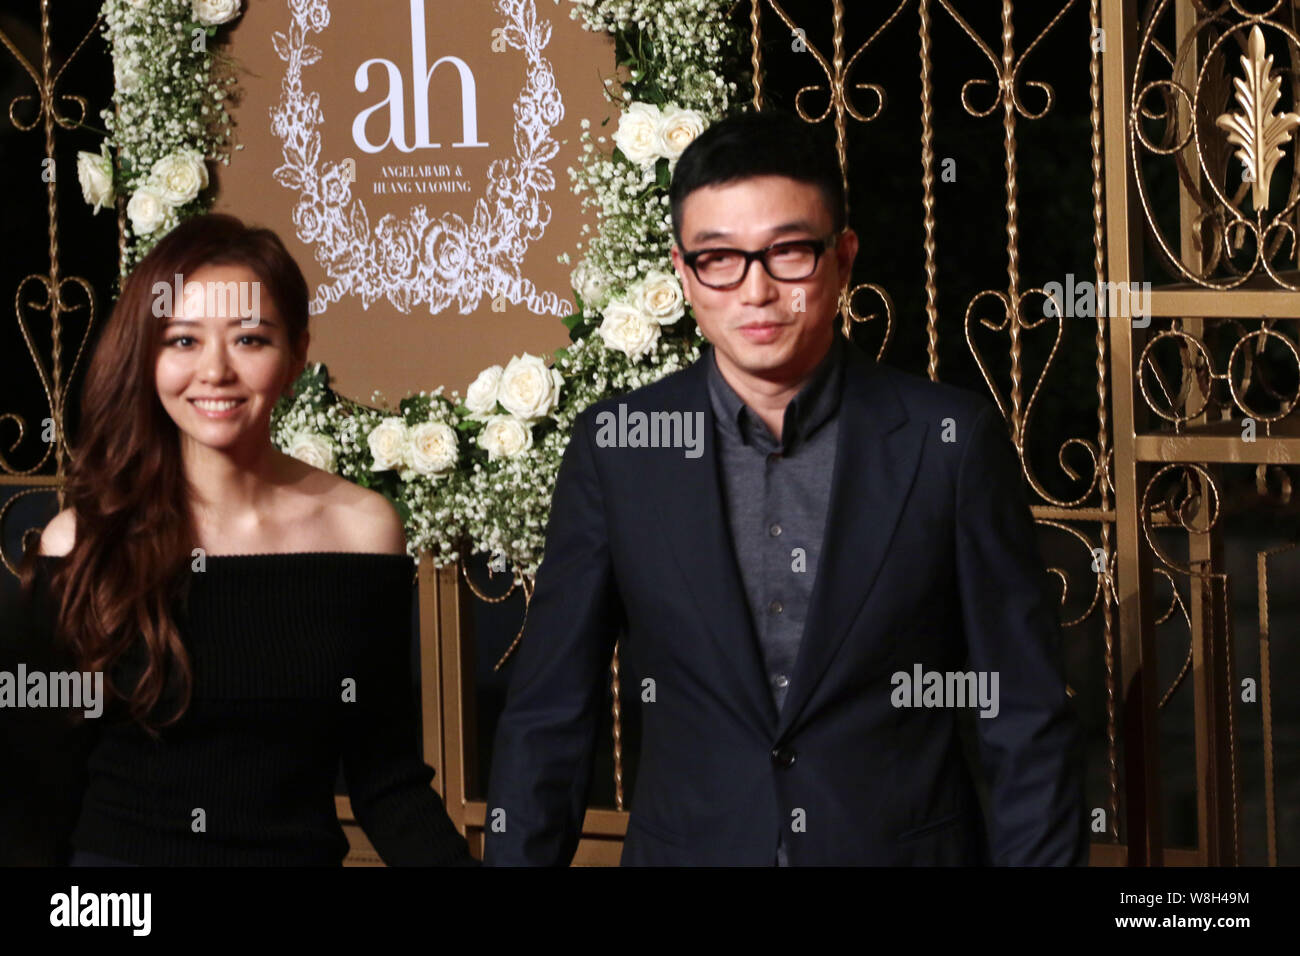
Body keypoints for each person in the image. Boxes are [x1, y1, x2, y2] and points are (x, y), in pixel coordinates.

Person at [483, 109, 1087, 866]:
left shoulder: (950, 444)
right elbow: (549, 718)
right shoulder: (618, 452)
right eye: (720, 259)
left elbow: (1023, 717)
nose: (756, 291)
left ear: (842, 258)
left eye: (788, 254)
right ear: (683, 273)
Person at [6, 213, 473, 866]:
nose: (216, 372)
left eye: (250, 339)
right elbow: (33, 802)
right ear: (148, 355)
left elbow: (387, 778)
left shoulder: (362, 531)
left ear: (297, 354)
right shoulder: (81, 541)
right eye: (184, 341)